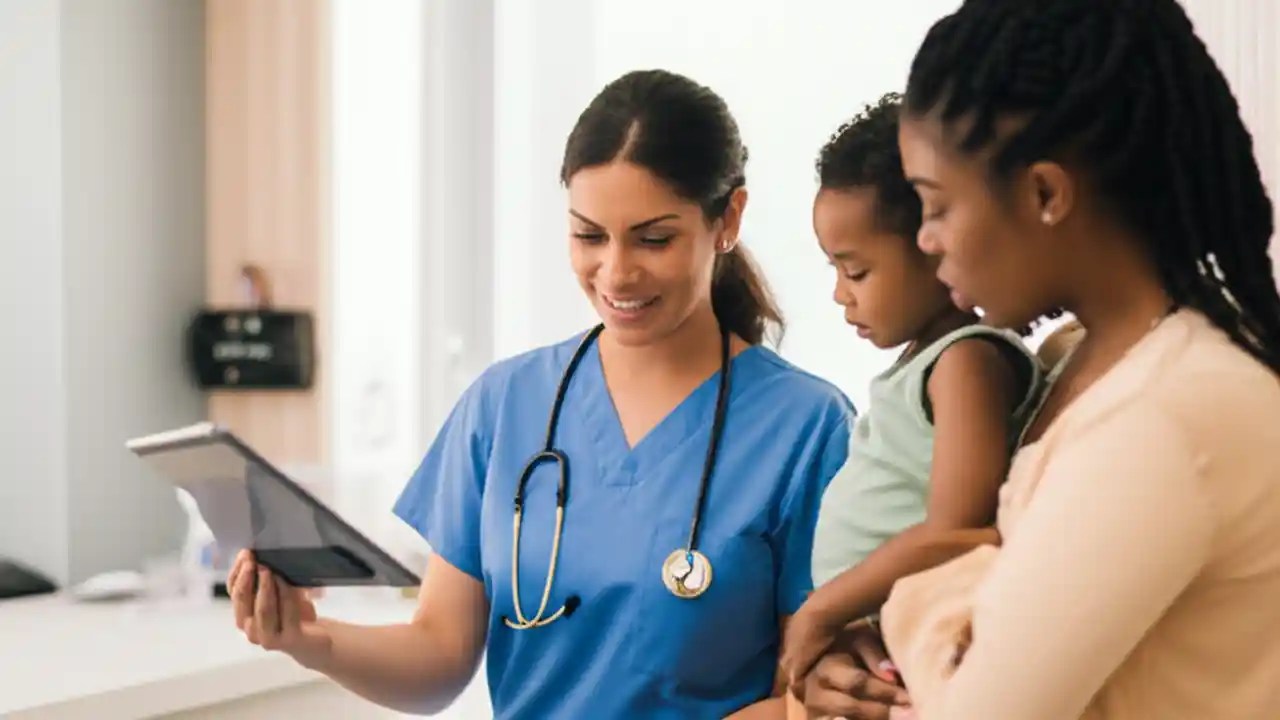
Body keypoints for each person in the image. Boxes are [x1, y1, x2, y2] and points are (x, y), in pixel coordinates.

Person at [227, 68, 855, 719]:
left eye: (654, 239)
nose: (615, 271)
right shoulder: (504, 405)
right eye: (589, 235)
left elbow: (813, 698)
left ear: (728, 219)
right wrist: (308, 639)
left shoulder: (807, 429)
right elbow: (440, 654)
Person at [800, 1, 1280, 719]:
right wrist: (858, 664)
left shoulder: (1168, 415)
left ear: (1044, 193)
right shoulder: (1073, 362)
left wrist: (897, 603)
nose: (926, 243)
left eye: (935, 206)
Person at [779, 93, 1041, 717]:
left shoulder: (965, 362)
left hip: (921, 657)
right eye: (834, 270)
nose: (841, 295)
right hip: (878, 643)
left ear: (932, 245)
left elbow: (960, 530)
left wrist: (825, 606)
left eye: (857, 271)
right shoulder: (923, 365)